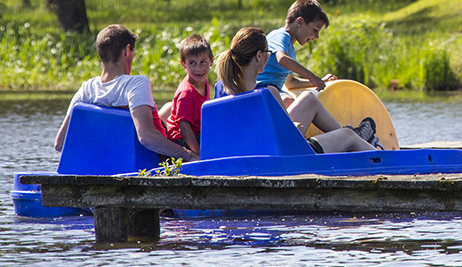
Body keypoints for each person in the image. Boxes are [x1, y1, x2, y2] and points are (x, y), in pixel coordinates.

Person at [219, 26, 377, 153]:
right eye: (268, 53)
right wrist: (297, 129)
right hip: (286, 156)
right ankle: (377, 155)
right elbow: (289, 138)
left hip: (250, 151)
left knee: (308, 99)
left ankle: (353, 141)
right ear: (259, 56)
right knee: (347, 136)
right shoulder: (269, 93)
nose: (269, 57)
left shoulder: (222, 89)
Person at [54, 24, 197, 162]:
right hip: (149, 161)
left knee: (170, 107)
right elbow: (147, 137)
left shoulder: (86, 90)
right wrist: (189, 155)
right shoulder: (135, 84)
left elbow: (60, 143)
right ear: (127, 50)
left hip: (106, 160)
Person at [258, 0, 336, 96]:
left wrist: (319, 81)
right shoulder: (280, 35)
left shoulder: (290, 50)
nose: (316, 36)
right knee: (302, 101)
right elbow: (282, 59)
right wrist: (311, 76)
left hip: (274, 91)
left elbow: (290, 83)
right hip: (262, 89)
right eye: (315, 30)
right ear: (300, 22)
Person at [164, 33, 214, 157]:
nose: (198, 69)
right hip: (182, 140)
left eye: (203, 62)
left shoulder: (203, 81)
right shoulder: (186, 93)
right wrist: (199, 154)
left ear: (211, 61)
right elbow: (184, 128)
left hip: (196, 132)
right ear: (183, 64)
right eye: (192, 63)